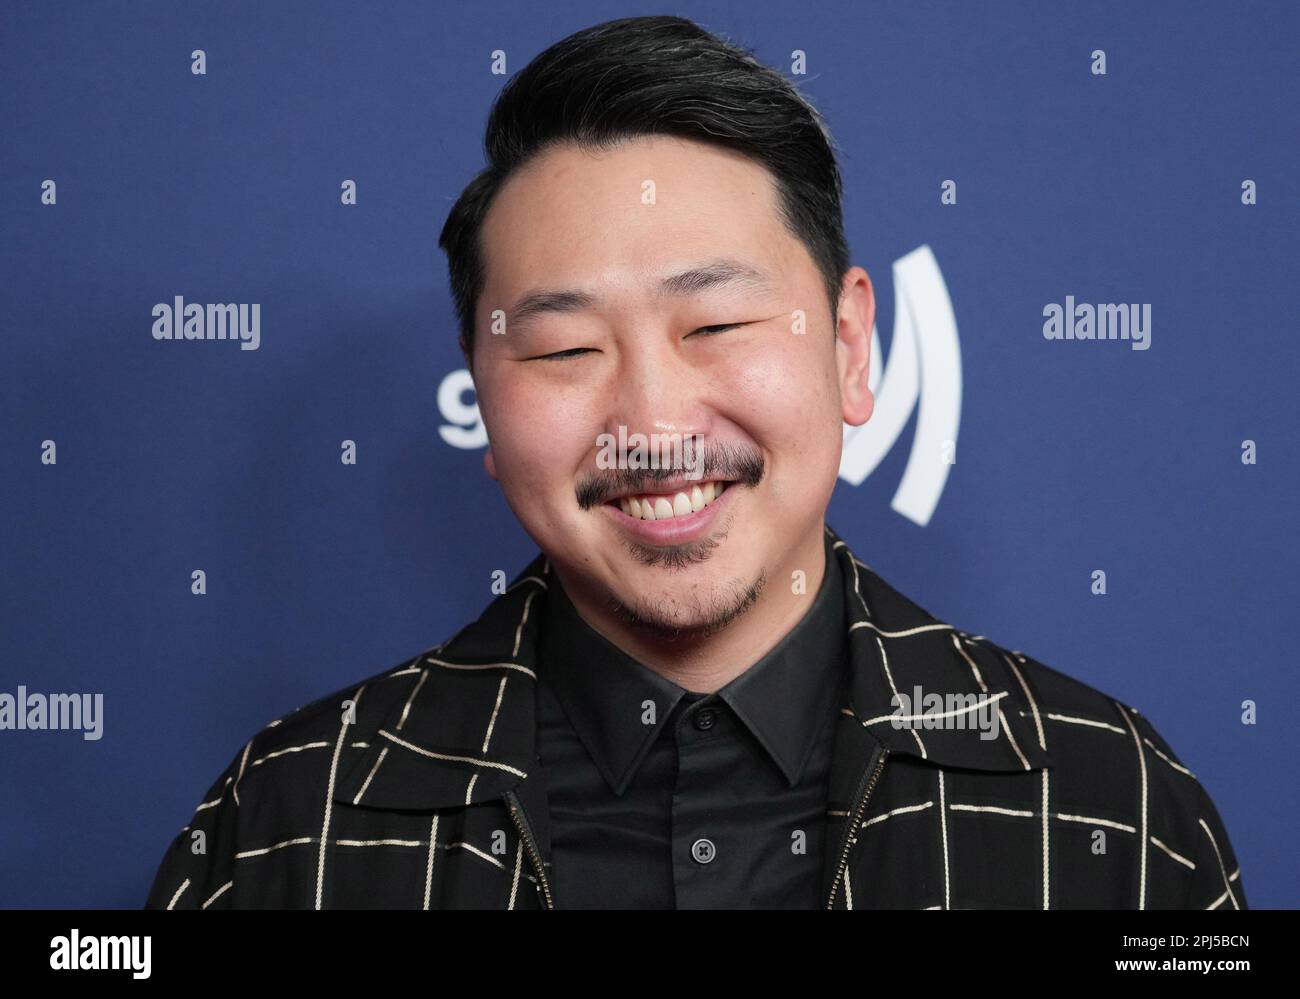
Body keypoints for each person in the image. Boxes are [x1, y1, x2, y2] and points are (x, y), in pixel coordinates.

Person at [145, 14, 1246, 910]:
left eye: (714, 325)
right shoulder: (292, 820)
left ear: (851, 347)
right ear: (482, 399)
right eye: (566, 348)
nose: (650, 416)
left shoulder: (1103, 804)